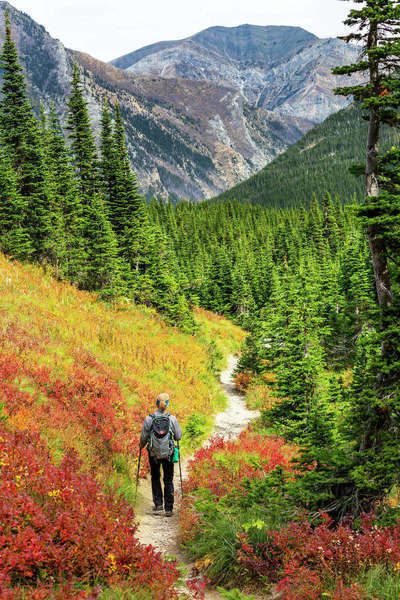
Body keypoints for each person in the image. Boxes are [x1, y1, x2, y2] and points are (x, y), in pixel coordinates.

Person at [140, 393, 182, 517]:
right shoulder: (172, 419)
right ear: (168, 404)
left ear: (157, 403)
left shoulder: (150, 419)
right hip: (168, 454)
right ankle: (168, 509)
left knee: (155, 477)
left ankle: (158, 505)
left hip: (154, 454)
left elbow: (144, 436)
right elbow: (178, 436)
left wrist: (141, 446)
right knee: (168, 479)